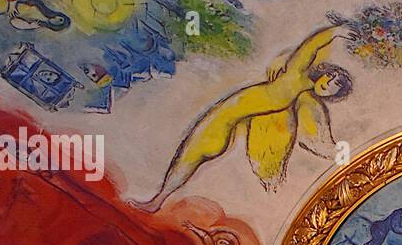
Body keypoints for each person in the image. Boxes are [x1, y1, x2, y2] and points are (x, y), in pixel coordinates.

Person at [139, 27, 352, 208]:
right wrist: (337, 31)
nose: (327, 85)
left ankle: (158, 200)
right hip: (221, 121)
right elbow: (311, 46)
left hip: (221, 123)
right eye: (331, 79)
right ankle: (158, 200)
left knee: (189, 154)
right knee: (187, 156)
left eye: (333, 90)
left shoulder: (302, 96)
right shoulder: (295, 73)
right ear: (326, 72)